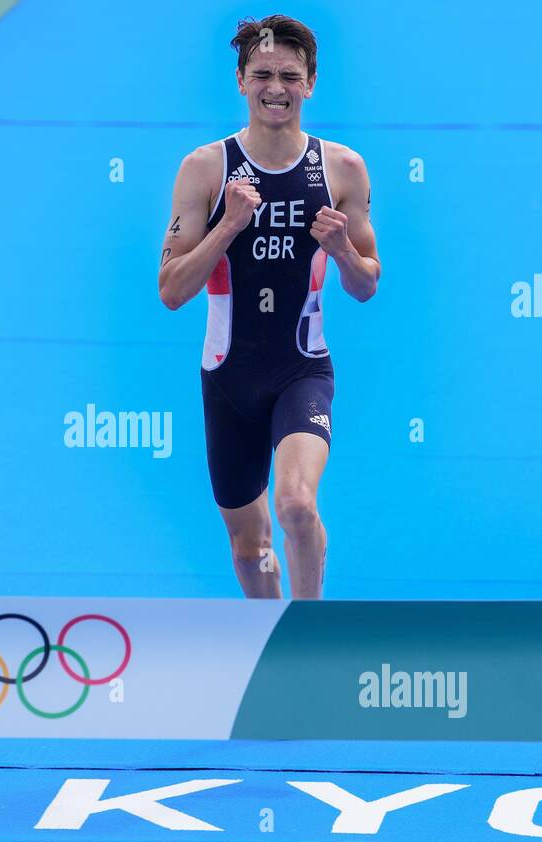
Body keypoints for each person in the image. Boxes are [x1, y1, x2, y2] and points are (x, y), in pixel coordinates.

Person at [158, 14, 380, 599]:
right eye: (262, 75)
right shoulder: (206, 169)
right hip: (228, 379)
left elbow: (365, 284)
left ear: (311, 83)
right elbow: (172, 291)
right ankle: (272, 637)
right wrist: (228, 225)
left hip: (302, 370)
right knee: (249, 548)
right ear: (240, 81)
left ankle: (309, 635)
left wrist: (342, 250)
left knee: (297, 504)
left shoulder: (342, 169)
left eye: (289, 75)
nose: (275, 88)